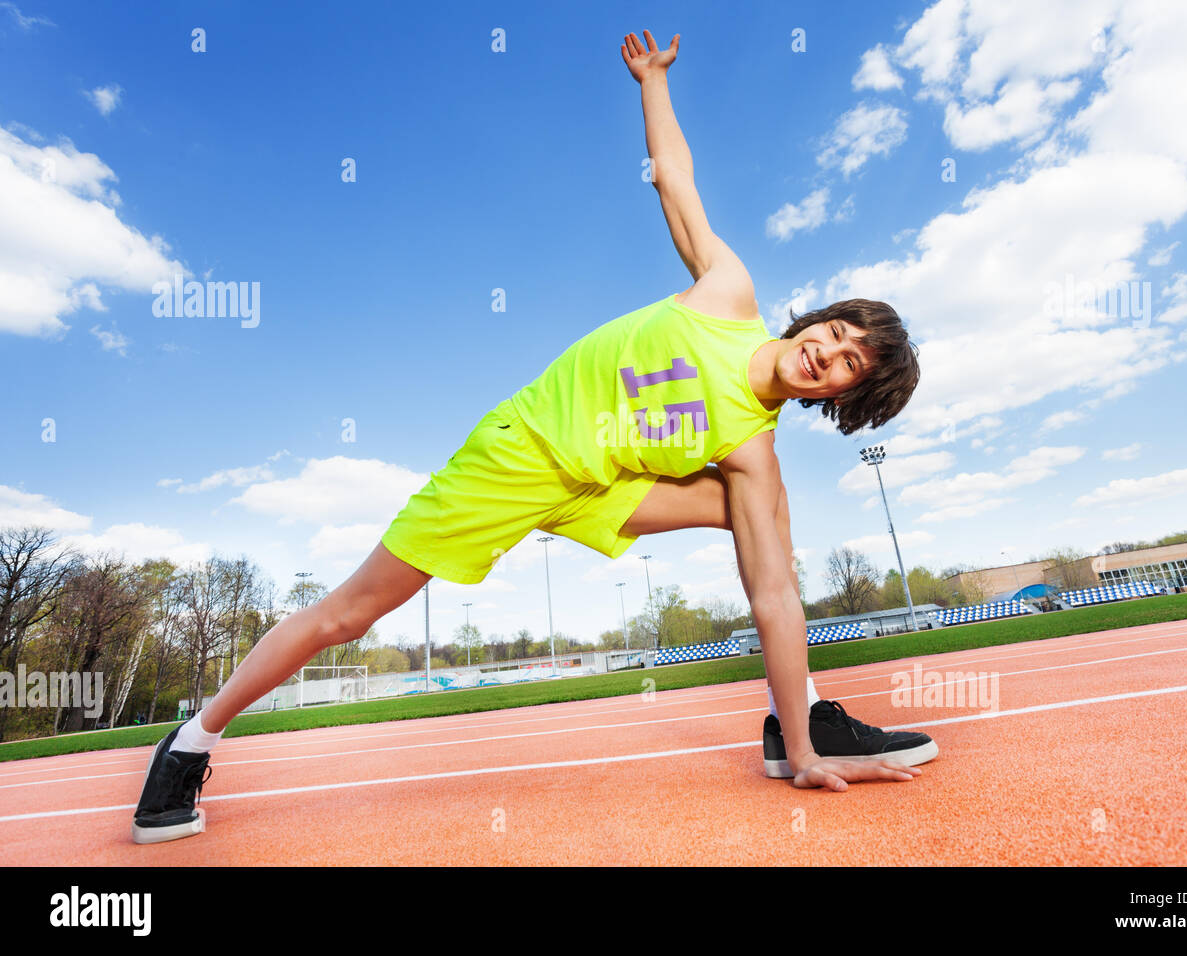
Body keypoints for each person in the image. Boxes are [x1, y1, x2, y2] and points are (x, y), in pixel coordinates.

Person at [131, 28, 936, 845]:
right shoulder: (728, 295)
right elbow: (676, 180)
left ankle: (795, 724)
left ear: (844, 397)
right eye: (835, 334)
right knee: (350, 615)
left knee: (761, 511)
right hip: (523, 454)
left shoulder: (752, 451)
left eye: (845, 367)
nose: (825, 355)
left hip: (603, 490)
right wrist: (653, 83)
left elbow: (772, 595)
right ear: (820, 319)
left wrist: (803, 759)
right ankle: (190, 742)